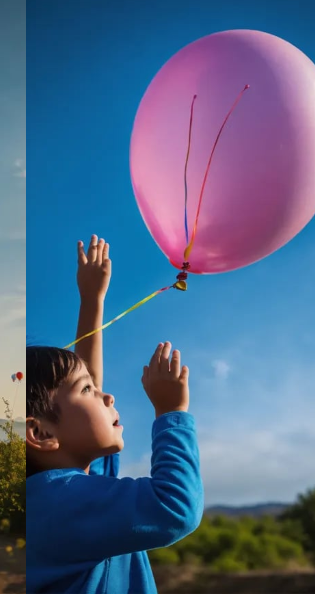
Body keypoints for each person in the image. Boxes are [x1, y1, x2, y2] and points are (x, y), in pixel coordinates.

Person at [25, 235, 203, 594]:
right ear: (41, 433)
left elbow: (75, 394)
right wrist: (171, 413)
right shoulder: (62, 503)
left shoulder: (60, 491)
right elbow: (175, 508)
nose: (108, 395)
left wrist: (93, 300)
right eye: (89, 391)